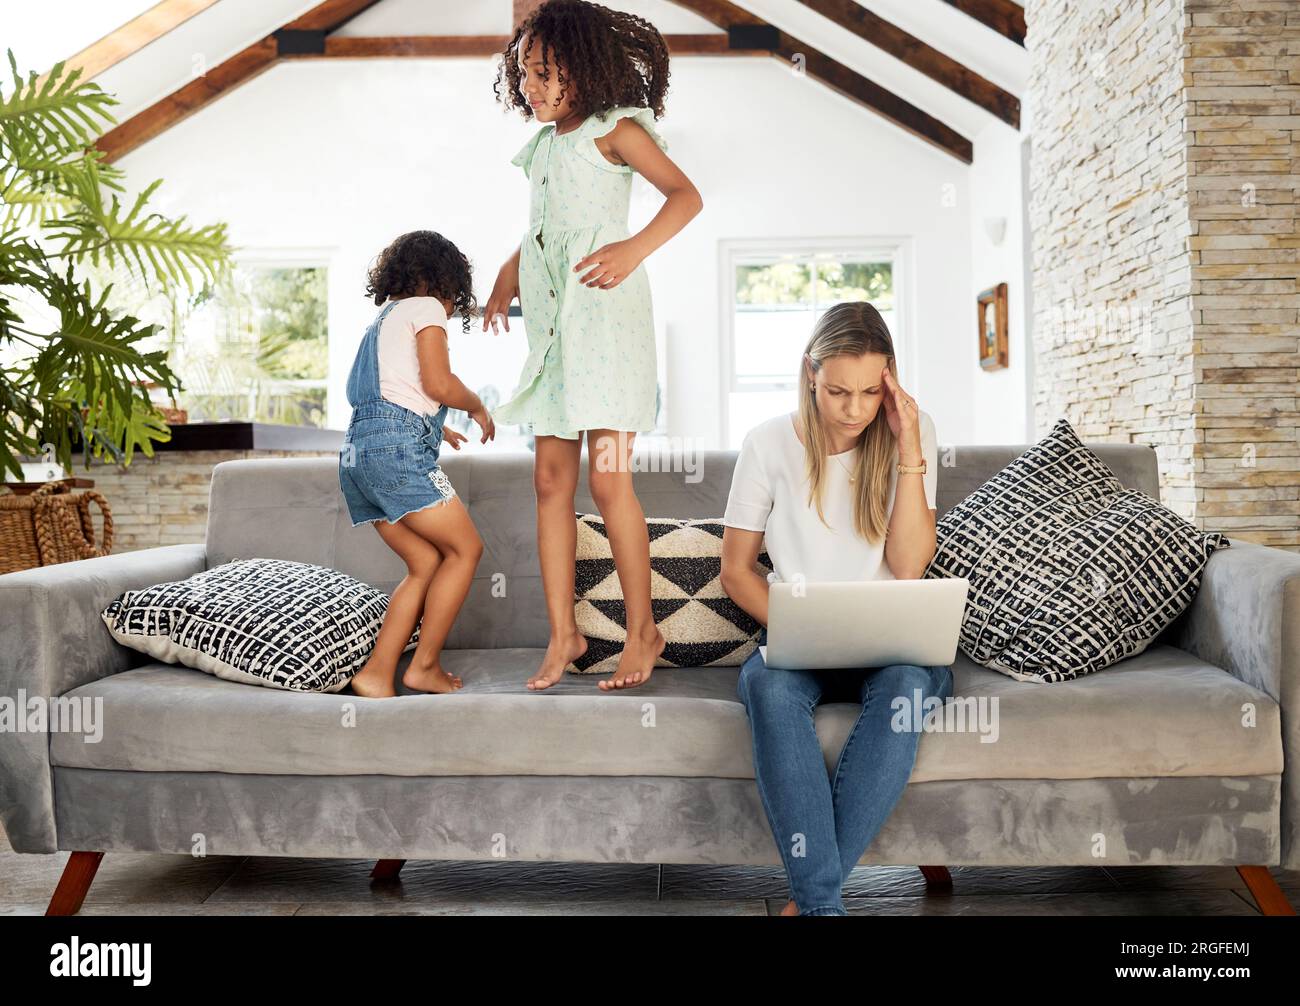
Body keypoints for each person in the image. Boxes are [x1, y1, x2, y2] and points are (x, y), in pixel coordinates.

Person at [484, 0, 703, 691]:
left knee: (608, 480)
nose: (533, 87)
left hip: (607, 329)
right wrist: (506, 271)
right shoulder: (545, 146)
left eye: (547, 73)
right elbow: (545, 227)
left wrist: (634, 249)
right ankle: (564, 635)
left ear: (585, 68)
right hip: (553, 335)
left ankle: (644, 631)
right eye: (525, 74)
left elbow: (685, 197)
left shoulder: (618, 130)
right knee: (549, 480)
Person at [720, 301, 953, 916]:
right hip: (797, 640)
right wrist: (802, 626)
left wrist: (907, 448)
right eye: (837, 391)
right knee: (768, 689)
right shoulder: (768, 443)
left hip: (893, 645)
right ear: (809, 375)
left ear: (890, 382)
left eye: (870, 392)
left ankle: (813, 904)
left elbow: (907, 566)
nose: (854, 409)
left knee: (906, 685)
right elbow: (735, 571)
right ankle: (824, 906)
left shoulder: (913, 429)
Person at [338, 231, 495, 697]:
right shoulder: (426, 308)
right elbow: (439, 382)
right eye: (455, 297)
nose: (452, 308)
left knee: (425, 561)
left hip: (356, 456)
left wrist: (433, 427)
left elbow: (388, 395)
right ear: (445, 283)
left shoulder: (382, 320)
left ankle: (376, 673)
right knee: (466, 551)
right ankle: (423, 665)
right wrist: (475, 405)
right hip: (394, 455)